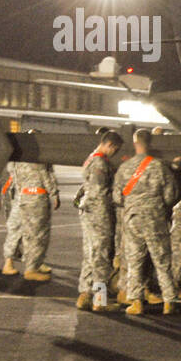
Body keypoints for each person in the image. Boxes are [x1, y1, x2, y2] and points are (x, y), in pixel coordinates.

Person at [112, 129, 179, 316]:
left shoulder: (124, 168)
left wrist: (133, 202)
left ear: (135, 143)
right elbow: (170, 195)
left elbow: (117, 197)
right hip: (155, 218)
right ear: (150, 143)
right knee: (162, 260)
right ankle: (169, 301)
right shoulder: (159, 167)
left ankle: (136, 302)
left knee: (134, 260)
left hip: (133, 218)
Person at [77, 131, 124, 311]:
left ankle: (85, 295)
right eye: (115, 150)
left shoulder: (90, 158)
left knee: (89, 255)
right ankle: (100, 300)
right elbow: (98, 193)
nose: (115, 153)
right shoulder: (100, 163)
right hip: (98, 214)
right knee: (102, 256)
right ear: (110, 145)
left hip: (88, 213)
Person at [3, 157, 59, 280]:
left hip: (22, 192)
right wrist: (54, 193)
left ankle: (32, 262)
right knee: (32, 231)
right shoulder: (38, 155)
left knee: (20, 228)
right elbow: (46, 173)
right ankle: (28, 265)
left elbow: (12, 171)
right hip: (31, 194)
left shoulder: (19, 155)